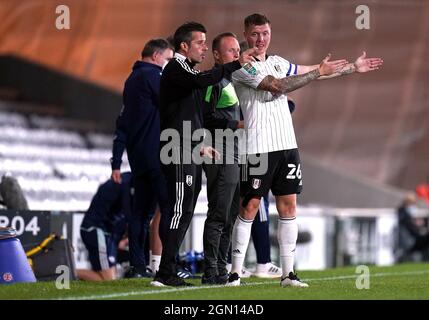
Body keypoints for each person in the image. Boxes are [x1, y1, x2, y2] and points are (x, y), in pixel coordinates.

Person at [227, 13, 383, 287]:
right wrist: (316, 73)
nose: (260, 39)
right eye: (254, 34)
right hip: (258, 148)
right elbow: (276, 86)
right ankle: (235, 274)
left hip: (287, 146)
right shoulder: (241, 67)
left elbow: (310, 72)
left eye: (265, 33)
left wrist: (351, 69)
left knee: (289, 207)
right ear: (245, 34)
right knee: (249, 206)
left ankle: (288, 274)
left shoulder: (276, 61)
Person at [152, 22, 256, 287]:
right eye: (200, 42)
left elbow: (188, 115)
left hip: (189, 148)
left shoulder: (188, 71)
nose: (203, 48)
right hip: (177, 149)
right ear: (184, 46)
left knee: (185, 211)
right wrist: (234, 65)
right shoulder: (176, 68)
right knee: (178, 211)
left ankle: (170, 269)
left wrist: (200, 144)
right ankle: (165, 271)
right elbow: (202, 84)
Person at [111, 38, 174, 278]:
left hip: (138, 159)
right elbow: (173, 104)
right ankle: (169, 265)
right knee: (169, 208)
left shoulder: (130, 81)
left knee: (141, 213)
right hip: (158, 155)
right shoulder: (153, 76)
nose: (169, 64)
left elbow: (122, 125)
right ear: (157, 57)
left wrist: (116, 162)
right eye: (168, 59)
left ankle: (138, 266)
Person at [200, 32, 242, 285]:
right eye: (231, 51)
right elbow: (206, 117)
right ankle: (210, 273)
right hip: (219, 150)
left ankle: (222, 270)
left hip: (235, 152)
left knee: (230, 214)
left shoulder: (233, 80)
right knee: (218, 213)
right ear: (216, 54)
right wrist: (236, 123)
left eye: (238, 50)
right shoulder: (213, 82)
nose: (236, 54)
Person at [78, 172, 132, 281]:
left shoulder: (127, 181)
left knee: (111, 277)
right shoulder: (125, 183)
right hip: (97, 229)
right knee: (107, 279)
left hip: (105, 232)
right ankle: (64, 271)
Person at [397, 194, 429, 261]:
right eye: (413, 204)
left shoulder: (406, 215)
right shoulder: (404, 215)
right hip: (409, 241)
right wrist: (418, 226)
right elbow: (412, 230)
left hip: (411, 239)